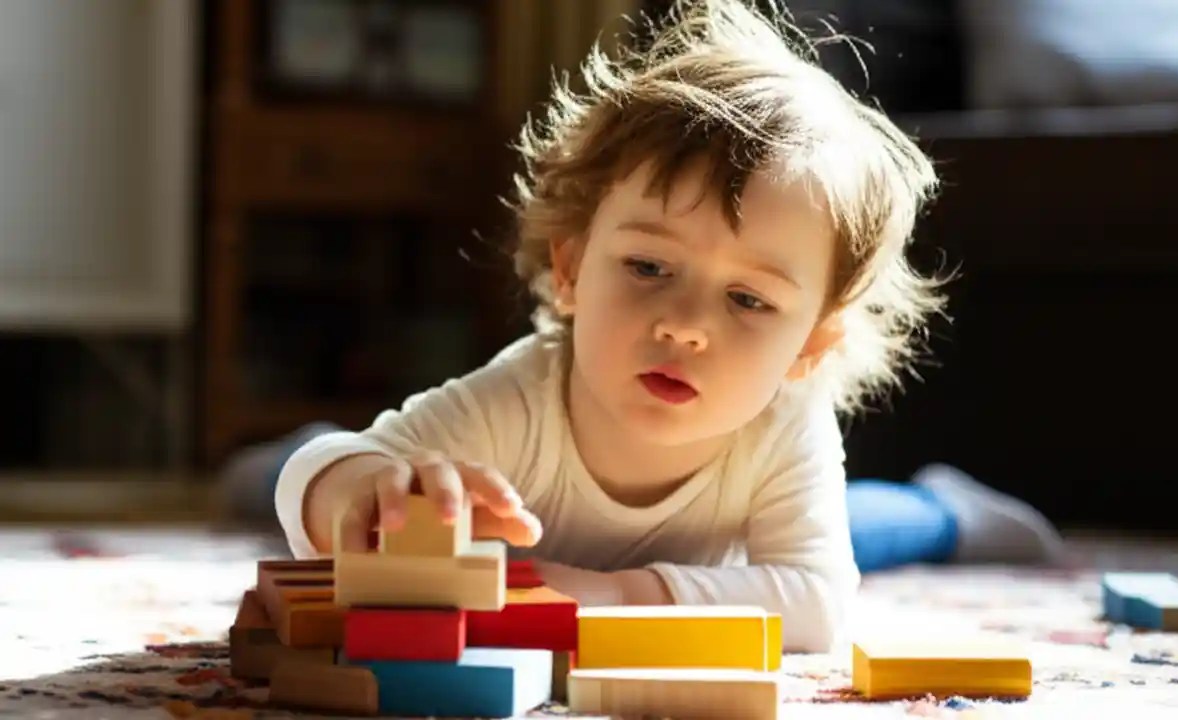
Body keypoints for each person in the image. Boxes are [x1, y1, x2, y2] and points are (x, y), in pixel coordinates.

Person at [251, 0, 1065, 653]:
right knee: (311, 472)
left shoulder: (785, 422)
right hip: (632, 530)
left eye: (749, 301)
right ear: (570, 270)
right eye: (648, 268)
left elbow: (817, 601)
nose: (683, 327)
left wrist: (614, 595)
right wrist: (348, 486)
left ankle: (946, 510)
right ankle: (262, 458)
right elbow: (331, 484)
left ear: (811, 345)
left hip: (735, 539)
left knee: (868, 527)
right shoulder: (519, 397)